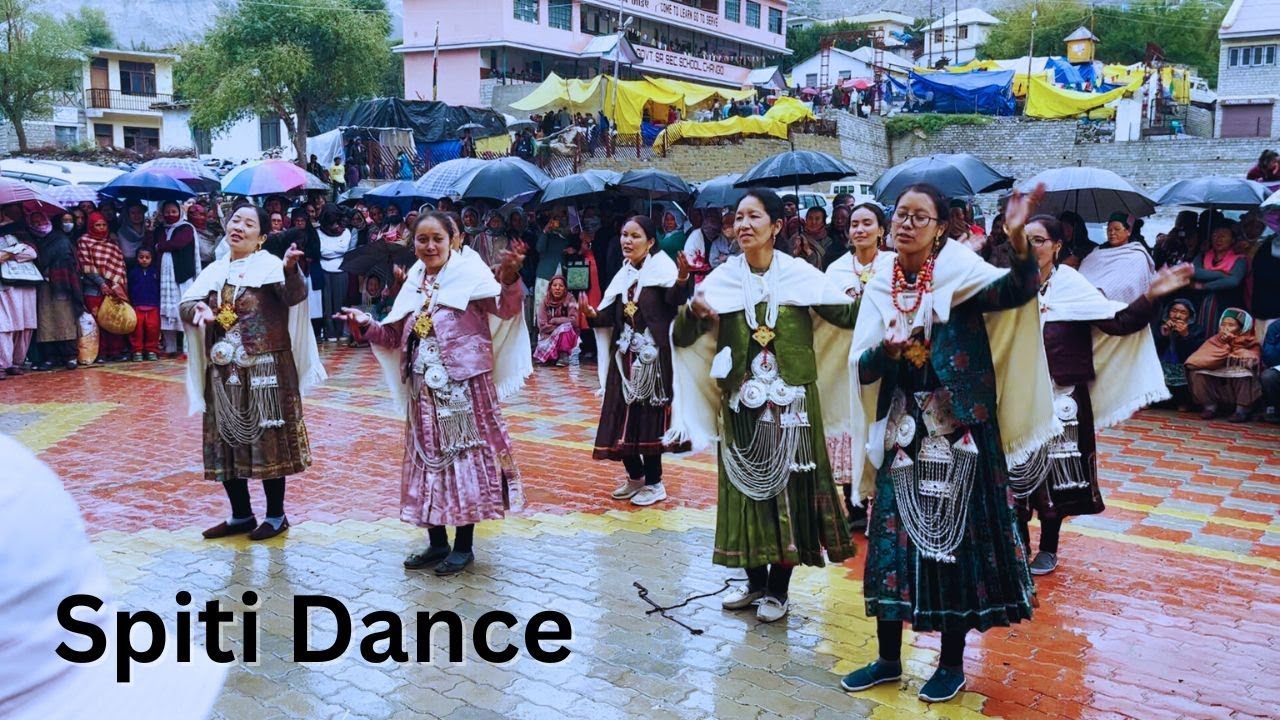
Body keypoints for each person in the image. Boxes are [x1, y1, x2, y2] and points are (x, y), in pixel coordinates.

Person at [842, 182, 1050, 703]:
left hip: (961, 434)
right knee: (889, 544)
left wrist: (1017, 236)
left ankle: (951, 663)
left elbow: (1019, 289)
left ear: (939, 229)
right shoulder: (880, 284)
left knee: (952, 545)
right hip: (902, 432)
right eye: (900, 214)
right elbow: (862, 368)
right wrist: (889, 353)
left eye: (920, 216)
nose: (906, 224)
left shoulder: (962, 276)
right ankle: (888, 659)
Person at [670, 189, 860, 623]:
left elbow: (849, 318)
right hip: (741, 404)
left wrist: (886, 288)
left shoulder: (801, 275)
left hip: (794, 406)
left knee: (792, 492)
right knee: (745, 491)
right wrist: (693, 312)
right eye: (738, 217)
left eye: (754, 217)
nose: (743, 225)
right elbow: (682, 338)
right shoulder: (721, 279)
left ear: (776, 226)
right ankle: (755, 583)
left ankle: (779, 590)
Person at [335, 212, 529, 574]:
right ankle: (437, 542)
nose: (430, 246)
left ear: (453, 240)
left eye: (437, 238)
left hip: (464, 389)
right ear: (413, 244)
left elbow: (507, 309)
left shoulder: (472, 276)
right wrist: (367, 324)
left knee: (464, 461)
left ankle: (464, 546)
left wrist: (510, 278)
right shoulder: (414, 283)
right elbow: (393, 337)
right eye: (422, 239)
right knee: (427, 464)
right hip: (423, 392)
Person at [1009, 215, 1190, 576]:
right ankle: (1018, 546)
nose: (1031, 248)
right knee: (1015, 473)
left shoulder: (1070, 284)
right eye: (1024, 241)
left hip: (1062, 396)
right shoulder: (1010, 287)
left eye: (1039, 240)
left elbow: (1119, 322)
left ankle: (1047, 548)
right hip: (1018, 395)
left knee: (1057, 474)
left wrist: (1152, 294)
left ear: (1057, 246)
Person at [181, 206, 325, 542]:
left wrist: (290, 269)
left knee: (267, 437)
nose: (239, 227)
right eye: (235, 220)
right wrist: (198, 308)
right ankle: (241, 515)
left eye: (248, 224)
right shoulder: (215, 270)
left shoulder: (271, 267)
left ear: (261, 237)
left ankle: (276, 515)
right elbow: (187, 304)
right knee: (226, 438)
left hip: (266, 370)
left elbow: (294, 296)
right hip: (223, 369)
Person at [584, 217, 690, 507]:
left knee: (648, 422)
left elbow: (676, 299)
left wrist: (682, 279)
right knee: (619, 417)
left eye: (635, 236)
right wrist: (592, 315)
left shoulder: (663, 271)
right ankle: (635, 476)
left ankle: (655, 483)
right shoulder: (624, 275)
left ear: (651, 242)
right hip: (624, 360)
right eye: (624, 235)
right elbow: (611, 316)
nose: (627, 241)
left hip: (652, 362)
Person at [823, 202, 893, 530]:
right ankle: (854, 504)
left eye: (867, 223)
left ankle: (883, 504)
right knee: (849, 425)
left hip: (883, 363)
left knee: (880, 426)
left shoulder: (894, 265)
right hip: (843, 363)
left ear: (882, 230)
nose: (860, 229)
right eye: (854, 224)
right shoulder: (835, 270)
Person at [1186, 308, 1261, 422]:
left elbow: (1251, 362)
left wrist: (1235, 344)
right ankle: (1210, 406)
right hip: (1216, 376)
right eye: (1223, 324)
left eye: (1231, 325)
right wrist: (1223, 344)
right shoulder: (1215, 340)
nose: (1225, 328)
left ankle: (1241, 410)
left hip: (1236, 380)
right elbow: (1193, 362)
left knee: (1245, 374)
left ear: (1243, 328)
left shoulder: (1251, 342)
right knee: (1197, 373)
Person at [28, 211, 81, 371]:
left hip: (62, 283)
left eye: (41, 220)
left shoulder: (60, 239)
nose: (39, 224)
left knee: (65, 320)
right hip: (43, 286)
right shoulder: (32, 240)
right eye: (35, 222)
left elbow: (68, 260)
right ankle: (51, 357)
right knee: (46, 321)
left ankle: (70, 356)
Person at [77, 212, 131, 362]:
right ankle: (100, 353)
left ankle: (116, 351)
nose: (101, 228)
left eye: (104, 225)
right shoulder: (84, 241)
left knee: (114, 318)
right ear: (90, 226)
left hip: (113, 288)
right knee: (98, 321)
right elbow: (86, 265)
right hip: (93, 289)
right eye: (97, 225)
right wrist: (101, 283)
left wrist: (113, 285)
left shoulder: (111, 243)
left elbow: (119, 267)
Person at [154, 200, 202, 357]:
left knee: (184, 312)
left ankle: (188, 348)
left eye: (173, 211)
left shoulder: (186, 228)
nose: (170, 215)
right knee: (166, 314)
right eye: (167, 212)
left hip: (182, 277)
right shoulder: (160, 229)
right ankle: (170, 348)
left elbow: (177, 244)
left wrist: (160, 246)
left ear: (180, 212)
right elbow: (154, 243)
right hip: (164, 278)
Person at [1078, 212, 1155, 303]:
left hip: (1110, 302)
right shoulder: (1097, 251)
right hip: (1084, 296)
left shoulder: (1137, 255)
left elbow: (1129, 283)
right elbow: (1083, 274)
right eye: (1109, 230)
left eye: (1117, 229)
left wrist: (1102, 293)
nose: (1112, 233)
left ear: (1128, 232)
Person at [1190, 221, 1248, 341]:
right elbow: (1195, 272)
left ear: (1232, 240)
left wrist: (1204, 286)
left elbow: (1234, 281)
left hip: (1227, 305)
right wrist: (1221, 274)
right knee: (1200, 336)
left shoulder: (1240, 259)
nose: (1218, 239)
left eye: (1223, 236)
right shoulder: (1203, 256)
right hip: (1203, 305)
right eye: (1215, 235)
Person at [0, 232, 38, 377]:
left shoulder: (17, 233)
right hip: (4, 288)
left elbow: (31, 253)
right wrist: (15, 252)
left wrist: (8, 254)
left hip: (25, 284)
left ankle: (16, 363)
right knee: (4, 326)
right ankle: (2, 365)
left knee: (26, 326)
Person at [1156, 299, 1205, 410]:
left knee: (1183, 406)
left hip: (1182, 368)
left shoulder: (1197, 330)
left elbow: (1194, 355)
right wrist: (1163, 336)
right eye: (1174, 311)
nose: (1177, 316)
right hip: (1162, 366)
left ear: (1190, 316)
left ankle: (1183, 402)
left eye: (1183, 313)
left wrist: (1185, 335)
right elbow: (1153, 350)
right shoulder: (1160, 327)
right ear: (1168, 312)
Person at [533, 275, 579, 365]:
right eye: (554, 285)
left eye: (561, 286)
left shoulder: (570, 299)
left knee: (566, 328)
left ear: (565, 289)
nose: (557, 288)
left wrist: (556, 321)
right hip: (548, 335)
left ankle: (563, 355)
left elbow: (574, 321)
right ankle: (552, 356)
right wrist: (557, 328)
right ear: (550, 287)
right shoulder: (545, 301)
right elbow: (542, 325)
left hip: (566, 336)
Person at [127, 247, 162, 362]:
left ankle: (151, 350)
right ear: (136, 258)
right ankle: (137, 351)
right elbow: (129, 288)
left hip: (153, 305)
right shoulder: (133, 272)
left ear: (152, 258)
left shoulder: (156, 272)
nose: (144, 260)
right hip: (137, 305)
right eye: (141, 257)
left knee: (153, 329)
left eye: (147, 257)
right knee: (137, 330)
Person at [116, 200, 150, 268]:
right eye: (133, 213)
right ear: (128, 215)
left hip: (144, 264)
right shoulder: (121, 232)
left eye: (139, 212)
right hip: (125, 265)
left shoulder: (148, 230)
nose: (136, 216)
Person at [1260, 321, 1280, 423]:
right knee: (1268, 376)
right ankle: (1277, 410)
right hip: (1278, 366)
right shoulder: (1275, 327)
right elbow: (1269, 357)